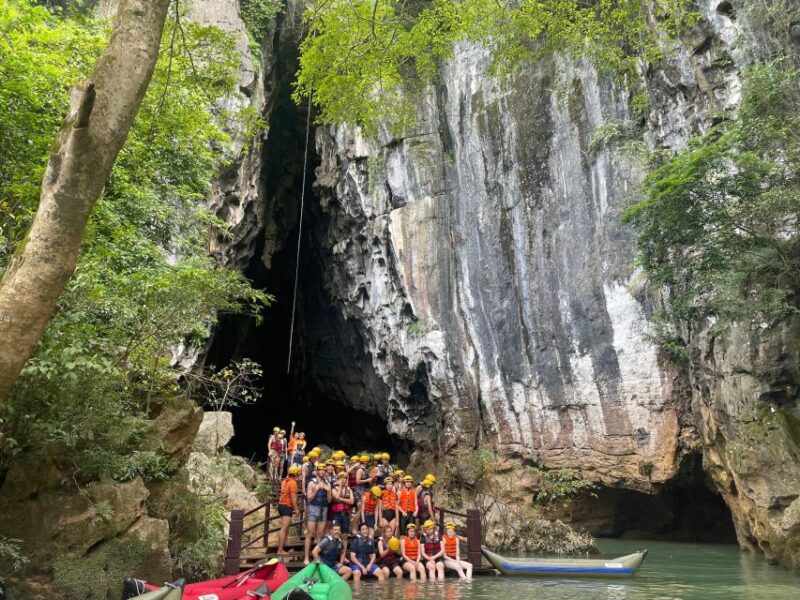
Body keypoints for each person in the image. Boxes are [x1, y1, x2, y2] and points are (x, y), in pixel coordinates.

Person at [304, 463, 331, 565]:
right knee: (309, 534)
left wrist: (328, 492)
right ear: (317, 471)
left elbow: (329, 500)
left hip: (324, 508)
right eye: (321, 470)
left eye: (324, 470)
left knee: (320, 534)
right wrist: (317, 488)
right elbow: (309, 498)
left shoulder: (327, 483)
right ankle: (306, 557)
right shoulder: (312, 483)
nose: (323, 471)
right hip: (313, 508)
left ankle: (317, 556)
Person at [276, 465, 301, 555]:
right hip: (287, 506)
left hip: (281, 505)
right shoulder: (293, 483)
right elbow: (293, 499)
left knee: (285, 528)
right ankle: (280, 550)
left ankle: (285, 544)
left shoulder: (285, 481)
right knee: (284, 528)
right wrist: (297, 509)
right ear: (296, 474)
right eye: (298, 473)